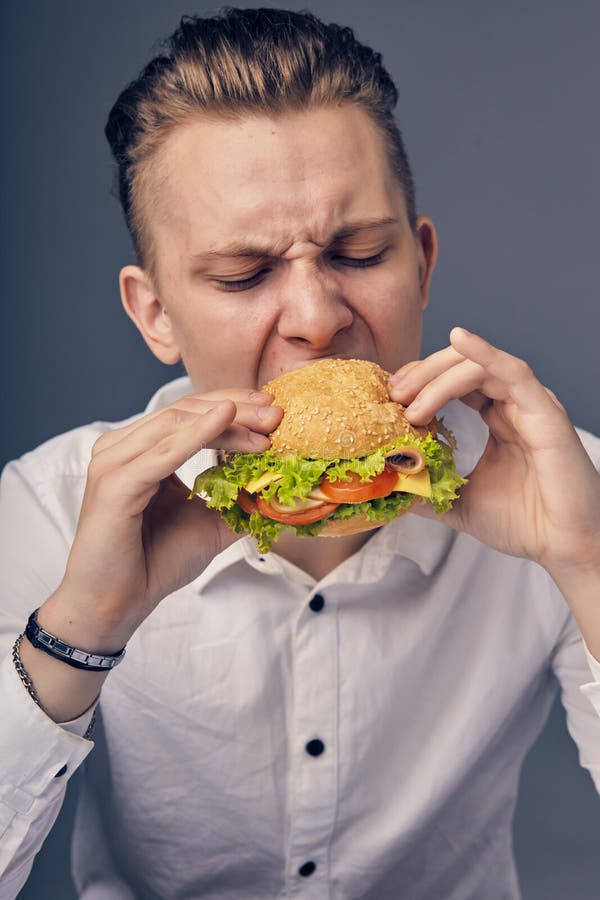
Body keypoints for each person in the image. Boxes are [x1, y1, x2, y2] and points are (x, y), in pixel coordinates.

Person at [1, 8, 599, 899]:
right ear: (155, 313)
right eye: (243, 275)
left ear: (421, 264)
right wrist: (77, 636)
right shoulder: (47, 508)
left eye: (358, 252)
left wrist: (589, 564)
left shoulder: (562, 486)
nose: (317, 320)